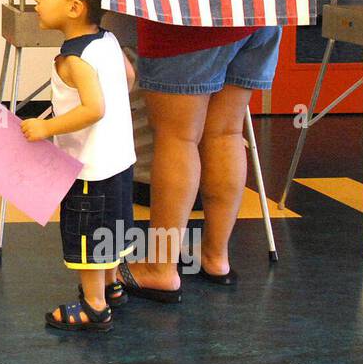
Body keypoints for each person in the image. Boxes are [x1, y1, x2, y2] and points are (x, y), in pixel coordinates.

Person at [117, 16, 282, 303]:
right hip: (261, 9)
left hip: (189, 16)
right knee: (227, 132)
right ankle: (216, 257)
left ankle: (159, 267)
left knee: (177, 137)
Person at [22, 0, 136, 331]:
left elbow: (93, 109)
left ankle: (94, 306)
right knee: (112, 227)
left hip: (89, 169)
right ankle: (111, 286)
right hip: (119, 160)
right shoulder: (109, 40)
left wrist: (47, 128)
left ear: (74, 8)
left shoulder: (73, 59)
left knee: (88, 237)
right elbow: (129, 78)